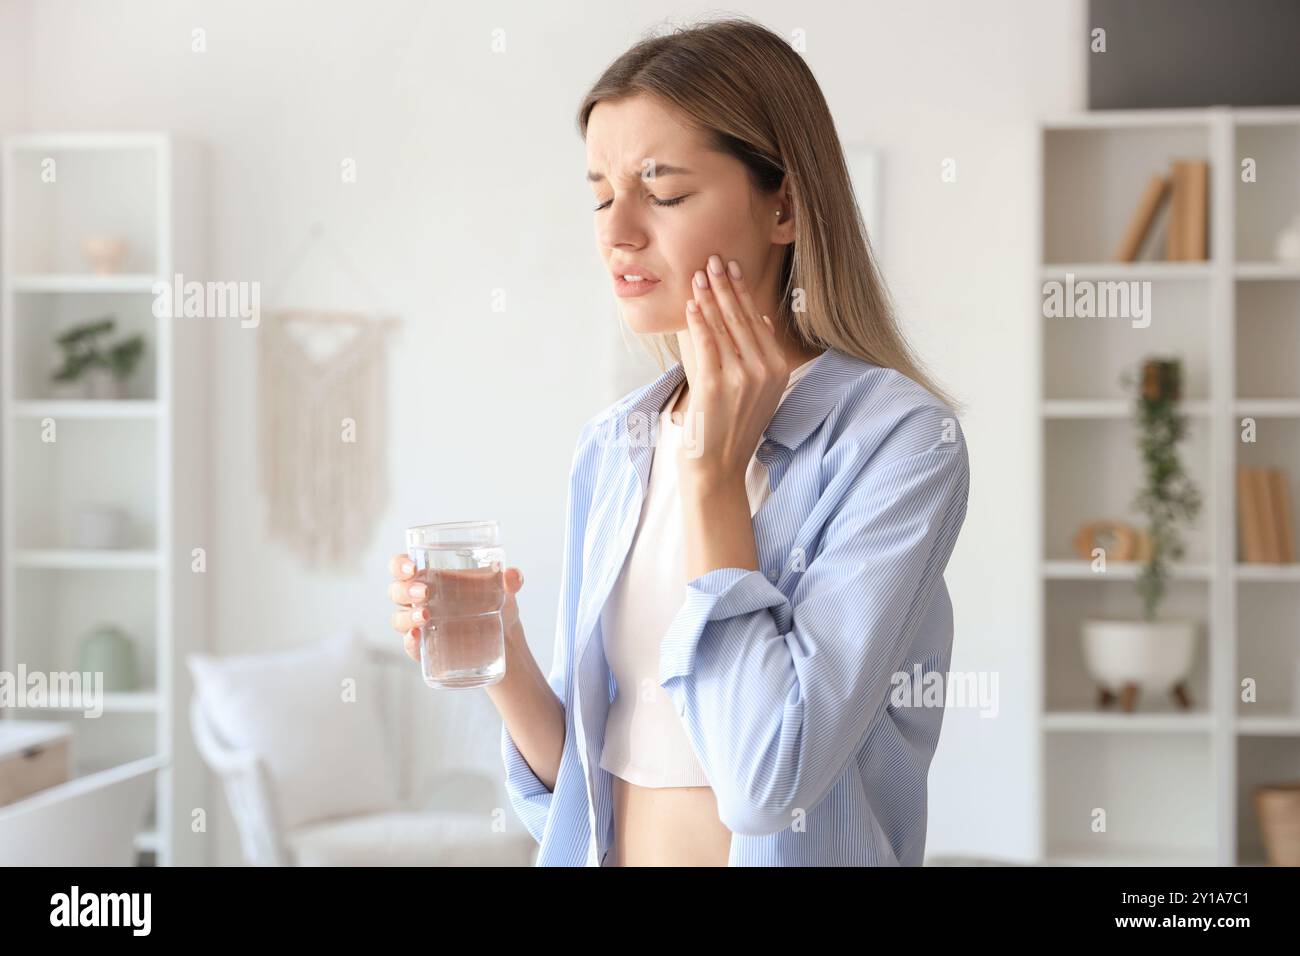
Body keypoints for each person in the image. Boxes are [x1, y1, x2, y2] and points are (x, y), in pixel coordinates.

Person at [388, 16, 970, 866]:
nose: (617, 230)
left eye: (662, 193)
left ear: (785, 205)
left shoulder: (901, 444)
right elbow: (588, 789)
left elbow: (768, 779)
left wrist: (712, 481)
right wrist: (501, 647)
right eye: (600, 193)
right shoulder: (613, 445)